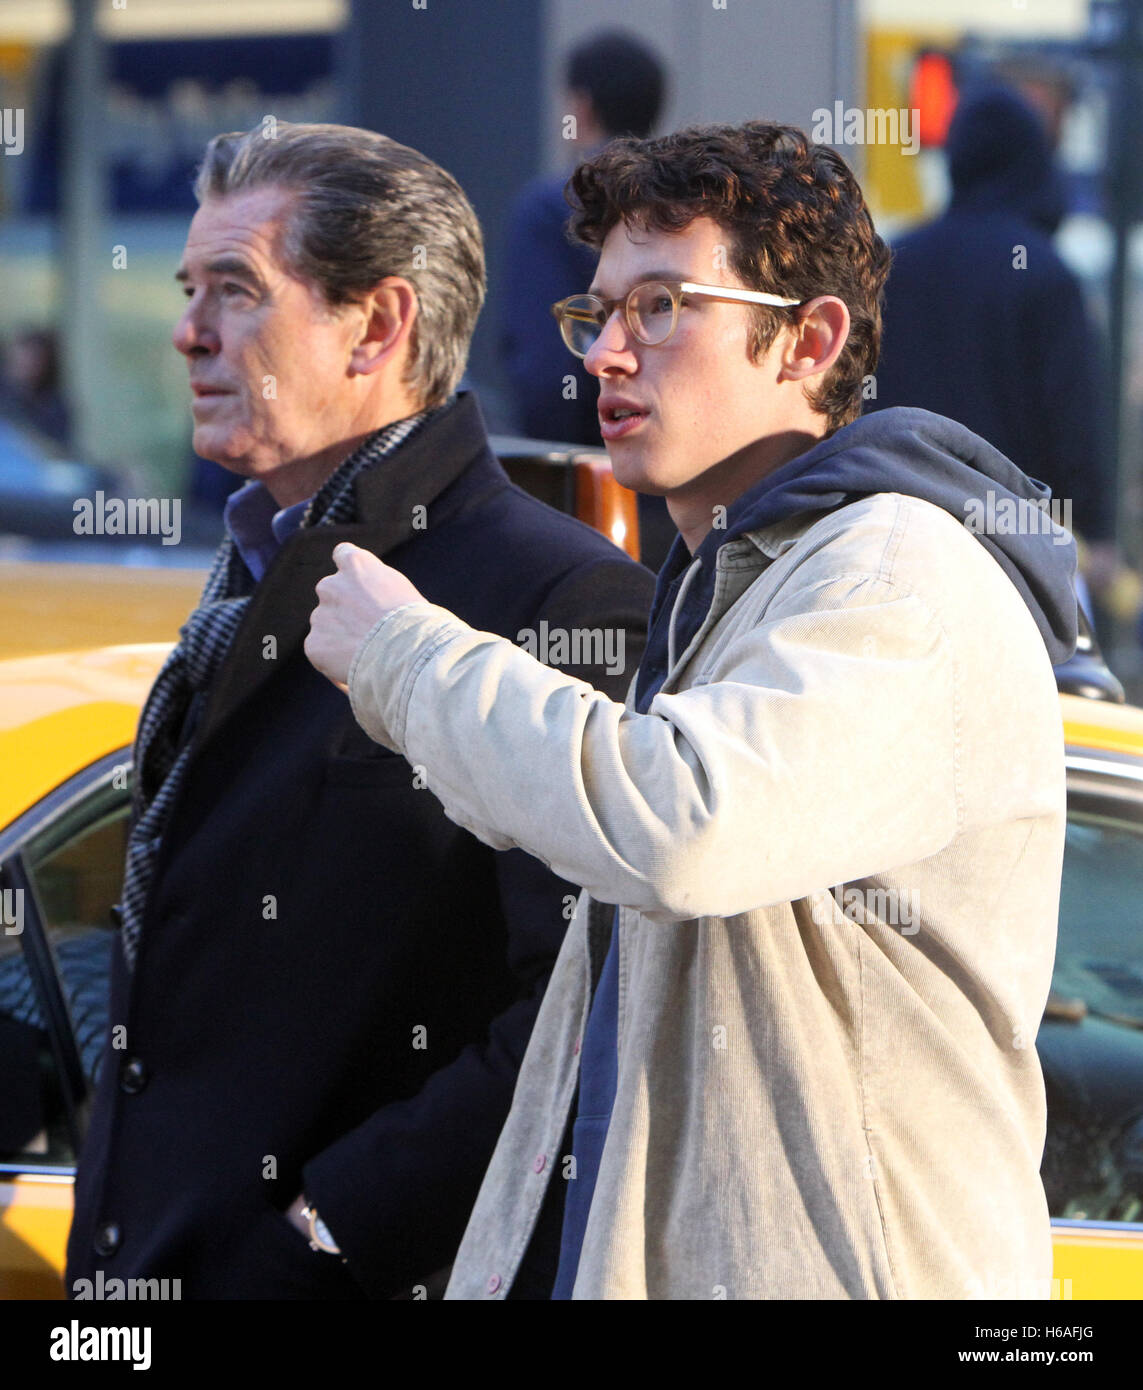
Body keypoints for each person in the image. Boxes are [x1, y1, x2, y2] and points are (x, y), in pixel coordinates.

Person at [306, 120, 1079, 1299]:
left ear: (809, 341)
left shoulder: (893, 571)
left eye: (662, 307)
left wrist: (406, 660)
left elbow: (680, 822)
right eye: (596, 314)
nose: (607, 354)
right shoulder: (738, 588)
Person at [65, 121, 653, 1300]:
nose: (187, 331)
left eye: (235, 291)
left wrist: (330, 1231)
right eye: (191, 290)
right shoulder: (254, 562)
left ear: (378, 326)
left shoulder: (557, 592)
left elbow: (590, 1007)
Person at [869, 83, 1119, 602]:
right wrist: (1095, 532)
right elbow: (1073, 421)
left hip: (895, 543)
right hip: (1020, 556)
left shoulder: (894, 266)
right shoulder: (1045, 275)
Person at [500, 30, 675, 570]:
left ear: (581, 104)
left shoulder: (550, 209)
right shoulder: (683, 207)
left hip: (592, 495)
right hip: (678, 490)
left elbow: (546, 375)